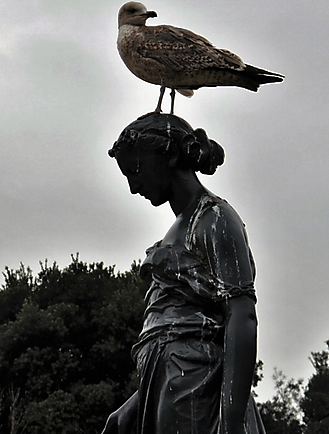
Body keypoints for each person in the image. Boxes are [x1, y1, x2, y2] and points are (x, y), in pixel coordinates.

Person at [103, 112, 265, 434]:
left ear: (171, 156)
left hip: (200, 391)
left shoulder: (215, 219)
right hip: (168, 391)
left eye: (136, 170)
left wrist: (231, 422)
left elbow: (241, 315)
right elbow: (175, 331)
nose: (133, 187)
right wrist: (135, 404)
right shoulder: (178, 229)